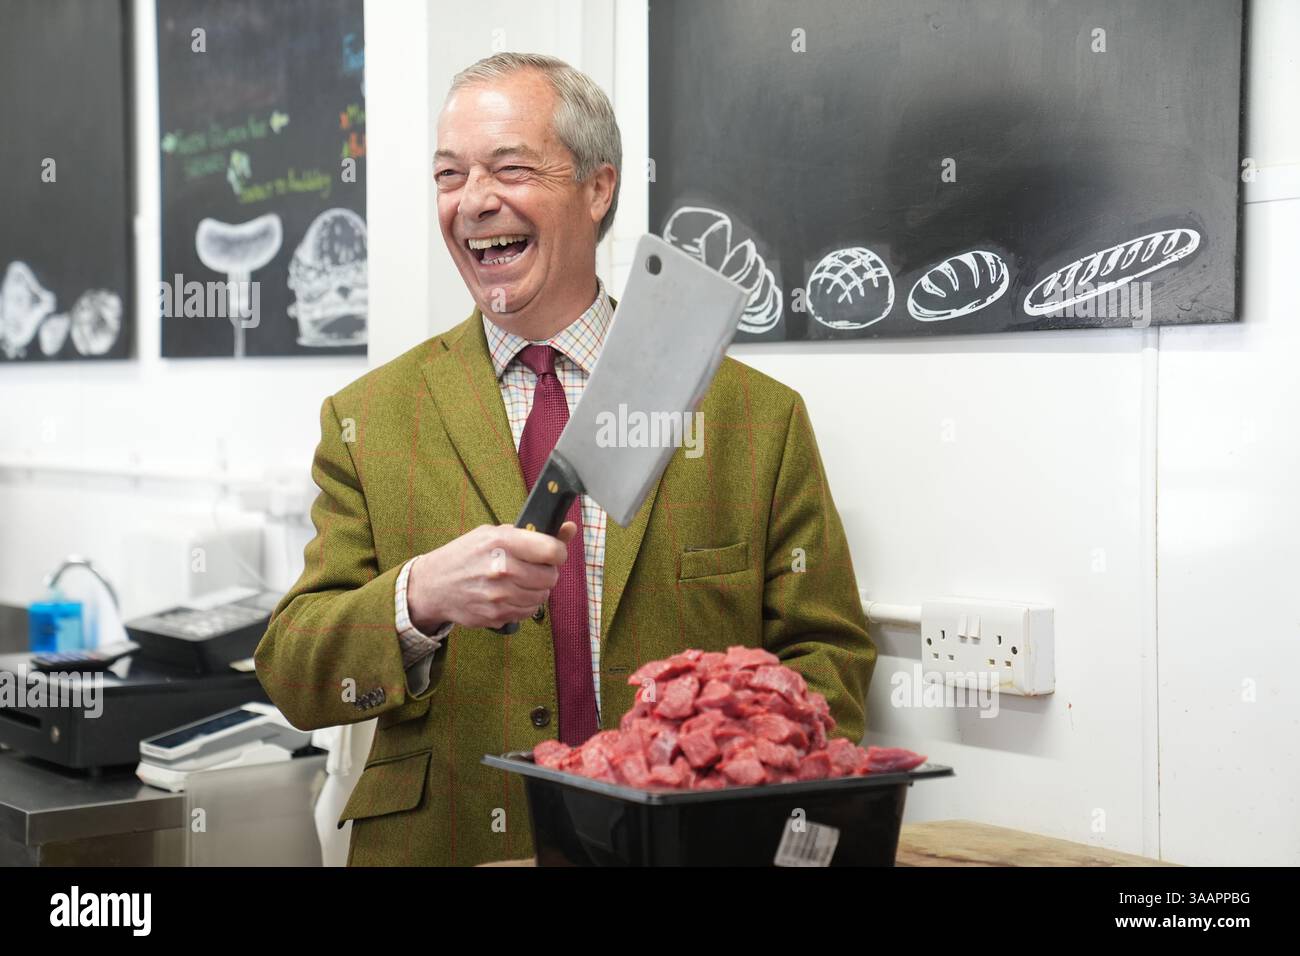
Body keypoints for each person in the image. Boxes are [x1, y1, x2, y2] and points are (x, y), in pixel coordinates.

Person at [255, 52, 875, 866]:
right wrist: (420, 600)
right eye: (449, 176)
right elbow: (295, 673)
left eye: (509, 168)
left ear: (598, 188)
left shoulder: (754, 420)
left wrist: (736, 785)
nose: (474, 201)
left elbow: (827, 663)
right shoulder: (368, 420)